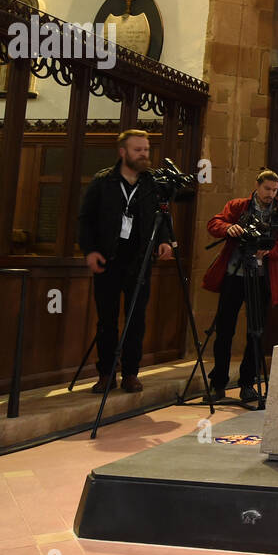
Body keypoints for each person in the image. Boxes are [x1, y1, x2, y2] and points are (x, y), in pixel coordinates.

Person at [77, 129, 175, 394]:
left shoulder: (152, 183)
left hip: (139, 261)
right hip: (108, 259)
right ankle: (106, 374)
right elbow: (85, 219)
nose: (144, 154)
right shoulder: (103, 182)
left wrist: (164, 241)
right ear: (123, 152)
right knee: (106, 320)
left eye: (146, 149)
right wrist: (89, 250)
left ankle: (131, 373)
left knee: (136, 319)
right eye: (138, 150)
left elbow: (161, 216)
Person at [202, 169, 278, 404]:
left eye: (274, 190)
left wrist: (271, 251)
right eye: (267, 189)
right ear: (257, 186)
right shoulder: (238, 206)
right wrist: (229, 228)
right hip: (235, 274)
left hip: (261, 275)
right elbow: (214, 222)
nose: (270, 194)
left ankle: (247, 383)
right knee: (224, 330)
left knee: (255, 332)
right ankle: (218, 383)